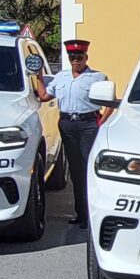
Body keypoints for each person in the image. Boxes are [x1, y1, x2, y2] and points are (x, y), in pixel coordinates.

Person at [32, 39, 109, 229]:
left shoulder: (97, 77)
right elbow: (44, 96)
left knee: (89, 168)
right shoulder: (61, 77)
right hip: (67, 124)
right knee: (75, 171)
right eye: (72, 57)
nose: (76, 60)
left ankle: (93, 214)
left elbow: (111, 101)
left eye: (79, 57)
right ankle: (81, 214)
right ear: (69, 58)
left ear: (86, 57)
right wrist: (38, 76)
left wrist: (101, 121)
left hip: (88, 125)